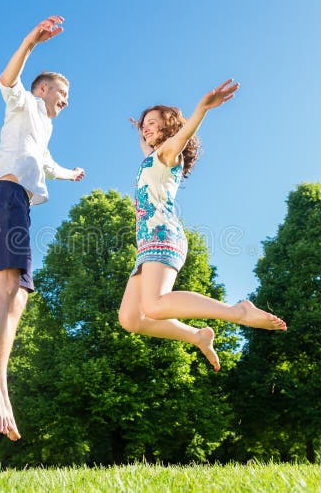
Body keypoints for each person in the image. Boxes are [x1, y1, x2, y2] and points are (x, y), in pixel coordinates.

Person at [0, 15, 85, 441]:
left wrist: (70, 173)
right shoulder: (25, 104)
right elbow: (7, 79)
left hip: (19, 204)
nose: (66, 101)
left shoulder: (43, 128)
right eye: (62, 93)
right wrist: (31, 42)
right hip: (3, 195)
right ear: (43, 90)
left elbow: (46, 163)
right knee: (4, 284)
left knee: (19, 293)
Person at [118, 79, 286, 372]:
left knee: (154, 306)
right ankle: (197, 336)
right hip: (146, 245)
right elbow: (145, 142)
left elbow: (182, 136)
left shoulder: (168, 153)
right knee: (130, 319)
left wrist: (202, 109)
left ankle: (238, 311)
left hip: (162, 236)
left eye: (153, 123)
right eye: (144, 125)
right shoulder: (151, 157)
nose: (146, 129)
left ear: (169, 128)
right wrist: (138, 127)